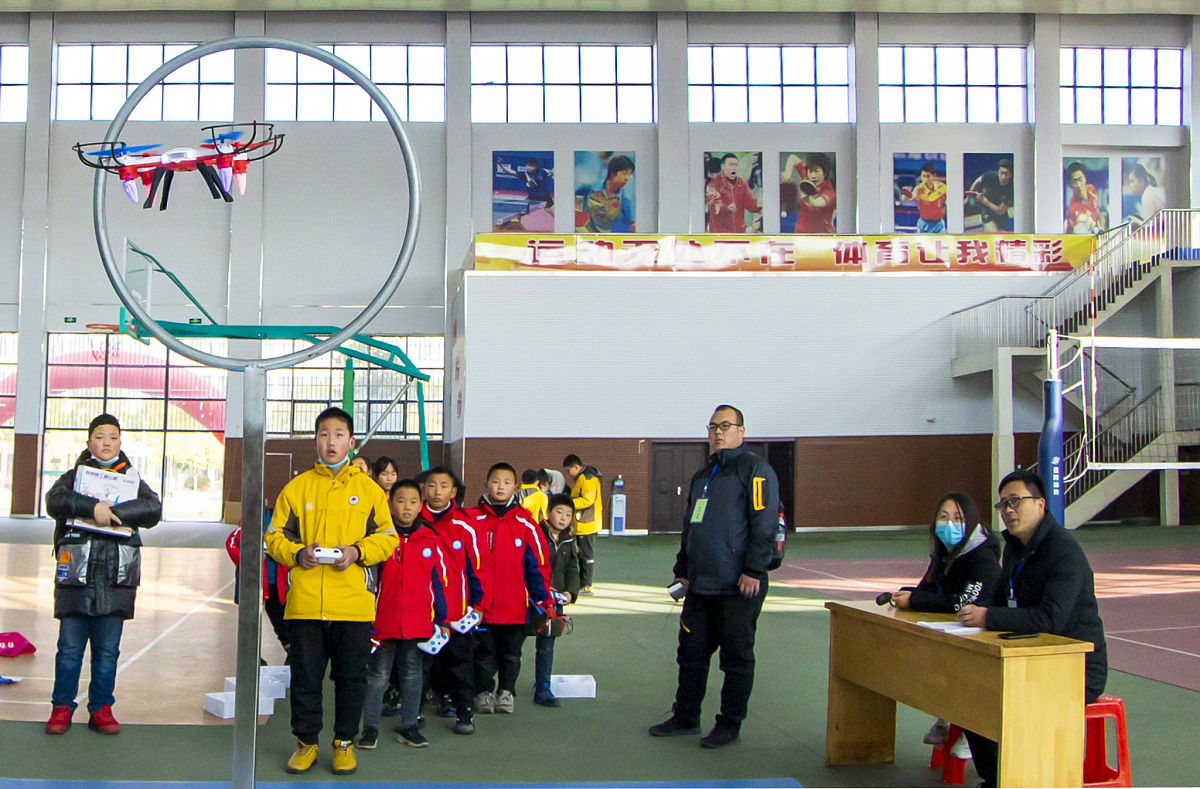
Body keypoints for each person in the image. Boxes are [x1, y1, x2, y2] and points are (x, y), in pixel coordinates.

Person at [264, 407, 399, 776]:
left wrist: (357, 553)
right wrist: (297, 554)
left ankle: (343, 743)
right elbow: (274, 536)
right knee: (305, 678)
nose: (331, 441)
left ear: (351, 442)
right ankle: (306, 743)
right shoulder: (297, 488)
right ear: (316, 441)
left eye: (339, 434)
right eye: (324, 434)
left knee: (350, 679)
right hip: (305, 604)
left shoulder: (370, 491)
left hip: (352, 606)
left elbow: (387, 538)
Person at [956, 469, 1109, 788]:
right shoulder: (1014, 546)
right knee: (969, 693)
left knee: (1004, 701)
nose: (1009, 511)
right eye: (1002, 505)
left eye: (1016, 502)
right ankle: (998, 777)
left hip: (1075, 667)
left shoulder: (1064, 552)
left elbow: (1049, 619)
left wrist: (988, 618)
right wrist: (972, 609)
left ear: (1040, 504)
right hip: (1028, 655)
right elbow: (1000, 597)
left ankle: (1025, 777)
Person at [649, 404, 779, 749]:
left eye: (726, 425)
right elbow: (691, 527)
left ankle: (729, 725)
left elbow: (764, 524)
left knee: (736, 659)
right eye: (712, 426)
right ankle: (686, 716)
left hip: (739, 586)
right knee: (690, 653)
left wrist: (753, 569)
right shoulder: (702, 477)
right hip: (700, 585)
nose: (718, 432)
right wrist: (683, 570)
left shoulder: (756, 471)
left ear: (741, 430)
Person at [44, 414, 162, 736]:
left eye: (113, 437)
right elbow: (54, 501)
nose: (106, 443)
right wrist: (90, 507)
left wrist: (113, 514)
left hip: (116, 579)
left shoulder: (132, 479)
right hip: (75, 578)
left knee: (108, 651)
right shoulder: (73, 476)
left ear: (120, 443)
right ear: (88, 442)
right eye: (99, 436)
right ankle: (61, 707)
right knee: (69, 649)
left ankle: (101, 709)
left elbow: (153, 509)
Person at [886, 492, 1001, 759]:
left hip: (984, 635)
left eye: (958, 518)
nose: (949, 524)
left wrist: (918, 600)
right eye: (943, 517)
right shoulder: (943, 553)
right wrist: (910, 595)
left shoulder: (983, 558)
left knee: (958, 666)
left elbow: (964, 602)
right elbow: (927, 587)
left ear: (971, 522)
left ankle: (971, 729)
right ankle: (947, 717)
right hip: (951, 631)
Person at [359, 480, 448, 751]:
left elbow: (438, 581)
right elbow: (368, 581)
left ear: (421, 506)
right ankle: (369, 729)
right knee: (377, 677)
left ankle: (410, 725)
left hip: (417, 622)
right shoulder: (381, 539)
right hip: (382, 623)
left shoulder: (430, 538)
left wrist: (442, 619)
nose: (407, 507)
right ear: (391, 505)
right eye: (401, 501)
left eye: (412, 502)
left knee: (412, 675)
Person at [467, 462, 550, 716]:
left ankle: (506, 692)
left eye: (506, 482)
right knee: (483, 653)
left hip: (515, 605)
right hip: (481, 606)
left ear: (515, 487)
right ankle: (483, 691)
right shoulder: (472, 519)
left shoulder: (526, 523)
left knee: (511, 654)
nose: (500, 486)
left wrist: (542, 598)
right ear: (486, 484)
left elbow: (538, 564)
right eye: (495, 481)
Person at [420, 466, 484, 735]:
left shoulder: (464, 525)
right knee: (421, 666)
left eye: (444, 486)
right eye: (432, 485)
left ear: (453, 492)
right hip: (421, 613)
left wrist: (478, 605)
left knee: (460, 663)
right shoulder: (412, 522)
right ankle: (415, 712)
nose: (437, 491)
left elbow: (477, 568)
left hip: (458, 614)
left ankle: (464, 711)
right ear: (423, 489)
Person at [530, 493, 580, 707]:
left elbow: (572, 568)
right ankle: (497, 688)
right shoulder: (535, 534)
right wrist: (540, 587)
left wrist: (571, 591)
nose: (563, 518)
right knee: (512, 643)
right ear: (548, 512)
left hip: (555, 602)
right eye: (559, 512)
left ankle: (542, 686)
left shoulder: (569, 539)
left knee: (547, 645)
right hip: (531, 599)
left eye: (568, 514)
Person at [225, 519, 291, 664]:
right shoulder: (247, 526)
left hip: (277, 587)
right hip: (253, 585)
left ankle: (292, 654)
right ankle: (253, 661)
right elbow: (231, 544)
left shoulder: (283, 524)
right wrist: (249, 563)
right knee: (251, 625)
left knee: (282, 623)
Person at [563, 454, 602, 595]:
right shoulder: (582, 478)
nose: (568, 474)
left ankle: (586, 585)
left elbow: (587, 500)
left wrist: (569, 503)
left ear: (576, 467)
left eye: (568, 471)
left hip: (587, 523)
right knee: (582, 554)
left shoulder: (587, 478)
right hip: (583, 523)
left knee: (586, 555)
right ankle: (583, 583)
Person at [575, 154, 636, 232]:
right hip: (581, 233)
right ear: (613, 173)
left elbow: (633, 222)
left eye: (629, 175)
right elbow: (574, 198)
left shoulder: (625, 200)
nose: (627, 178)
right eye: (624, 173)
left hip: (603, 238)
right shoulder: (590, 187)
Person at [705, 153, 762, 233]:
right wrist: (726, 208)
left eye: (735, 165)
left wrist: (761, 205)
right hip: (720, 234)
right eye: (731, 165)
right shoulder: (713, 185)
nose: (734, 167)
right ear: (723, 167)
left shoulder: (741, 184)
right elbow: (713, 206)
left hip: (739, 233)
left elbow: (751, 205)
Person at [790, 153, 837, 234]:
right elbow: (793, 158)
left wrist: (805, 197)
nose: (813, 176)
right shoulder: (807, 179)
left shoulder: (829, 191)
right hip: (800, 234)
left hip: (822, 237)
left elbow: (816, 203)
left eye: (817, 171)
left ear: (824, 173)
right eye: (810, 171)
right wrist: (787, 173)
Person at [966, 159, 1013, 232]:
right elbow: (978, 181)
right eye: (1001, 173)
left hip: (1001, 214)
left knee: (1003, 237)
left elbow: (1000, 211)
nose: (1003, 177)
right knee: (993, 233)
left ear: (1010, 175)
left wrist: (983, 200)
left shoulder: (1011, 189)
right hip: (987, 211)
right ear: (998, 172)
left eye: (1006, 174)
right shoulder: (990, 175)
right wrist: (968, 198)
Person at [1064, 161, 1105, 234]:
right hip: (1075, 239)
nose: (1079, 185)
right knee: (1081, 226)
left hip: (1094, 232)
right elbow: (1081, 218)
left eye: (1080, 179)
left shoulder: (1092, 189)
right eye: (1075, 181)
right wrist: (1092, 224)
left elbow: (1098, 212)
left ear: (1085, 179)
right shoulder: (1073, 207)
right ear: (1070, 185)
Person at [914, 161, 947, 234]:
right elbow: (910, 197)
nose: (925, 179)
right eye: (923, 176)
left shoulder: (942, 187)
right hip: (923, 225)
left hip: (938, 225)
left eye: (928, 176)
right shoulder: (918, 189)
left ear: (934, 176)